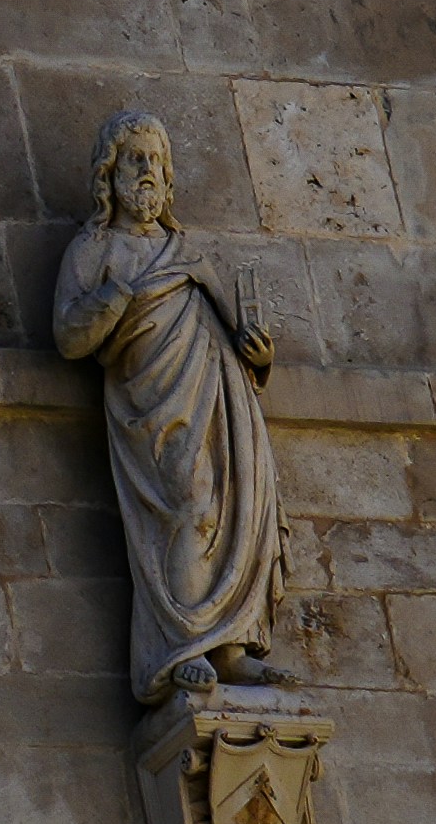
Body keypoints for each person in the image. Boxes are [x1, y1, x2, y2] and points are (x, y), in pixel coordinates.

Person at [50, 114, 283, 706]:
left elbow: (234, 332)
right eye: (135, 160)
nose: (147, 171)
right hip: (150, 404)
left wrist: (258, 357)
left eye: (155, 161)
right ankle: (181, 649)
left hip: (217, 400)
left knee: (231, 504)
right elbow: (68, 337)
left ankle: (229, 646)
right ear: (111, 174)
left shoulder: (188, 253)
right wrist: (111, 299)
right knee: (188, 506)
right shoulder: (95, 249)